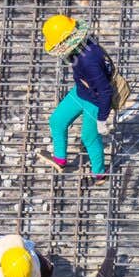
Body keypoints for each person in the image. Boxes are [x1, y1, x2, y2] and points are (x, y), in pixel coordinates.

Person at [37, 14, 114, 185]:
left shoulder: (89, 62)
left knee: (89, 137)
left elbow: (105, 91)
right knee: (57, 120)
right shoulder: (83, 47)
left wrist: (102, 118)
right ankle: (60, 160)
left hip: (94, 101)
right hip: (80, 92)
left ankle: (100, 173)